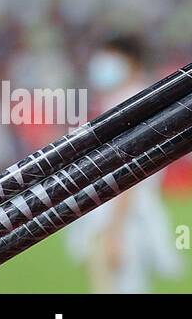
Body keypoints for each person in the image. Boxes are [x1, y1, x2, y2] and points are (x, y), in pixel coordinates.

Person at [65, 35, 185, 293]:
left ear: (129, 62)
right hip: (120, 212)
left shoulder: (131, 103)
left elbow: (130, 171)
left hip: (123, 215)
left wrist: (114, 230)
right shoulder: (128, 99)